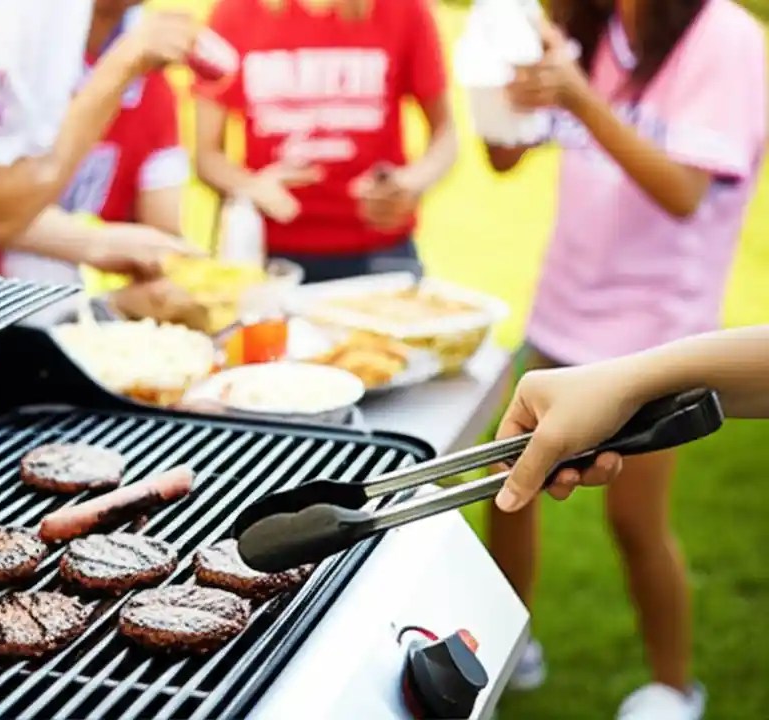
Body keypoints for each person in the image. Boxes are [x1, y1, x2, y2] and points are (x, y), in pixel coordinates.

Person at [482, 1, 766, 717]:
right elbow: (506, 154)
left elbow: (682, 192)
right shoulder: (588, 21)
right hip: (562, 310)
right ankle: (507, 638)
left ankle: (673, 687)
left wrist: (578, 93)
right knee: (508, 489)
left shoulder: (723, 36)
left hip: (657, 336)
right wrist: (508, 95)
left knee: (635, 519)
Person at [0, 0, 198, 282]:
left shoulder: (153, 76)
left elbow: (165, 229)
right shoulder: (9, 28)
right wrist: (125, 61)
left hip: (38, 296)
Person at [192, 0, 458, 282]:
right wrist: (250, 186)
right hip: (272, 253)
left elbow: (445, 134)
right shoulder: (235, 12)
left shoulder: (404, 9)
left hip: (380, 250)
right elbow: (207, 156)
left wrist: (409, 184)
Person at [495, 326, 769, 512]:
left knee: (637, 513)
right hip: (565, 318)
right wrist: (631, 383)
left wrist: (634, 383)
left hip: (655, 324)